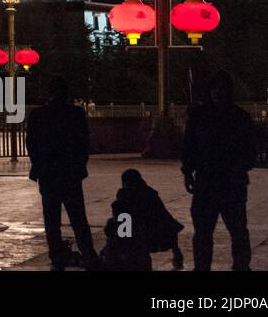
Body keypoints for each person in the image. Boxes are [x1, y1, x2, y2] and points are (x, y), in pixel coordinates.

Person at [182, 70, 256, 271]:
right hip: (208, 181)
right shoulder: (201, 116)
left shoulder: (238, 118)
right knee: (205, 231)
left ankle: (240, 266)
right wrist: (187, 171)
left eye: (222, 89)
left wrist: (240, 167)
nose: (218, 93)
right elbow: (189, 147)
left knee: (237, 230)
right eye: (215, 89)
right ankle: (203, 266)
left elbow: (250, 150)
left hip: (229, 181)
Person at [26, 76, 99, 270]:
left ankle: (56, 254)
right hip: (70, 173)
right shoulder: (75, 114)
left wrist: (39, 166)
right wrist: (80, 166)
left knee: (51, 219)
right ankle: (88, 253)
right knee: (78, 217)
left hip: (49, 174)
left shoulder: (37, 115)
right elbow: (84, 142)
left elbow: (32, 145)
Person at [99, 168, 185, 271]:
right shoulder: (151, 196)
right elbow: (167, 222)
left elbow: (121, 231)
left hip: (134, 244)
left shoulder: (124, 200)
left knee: (114, 229)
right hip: (148, 241)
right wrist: (176, 251)